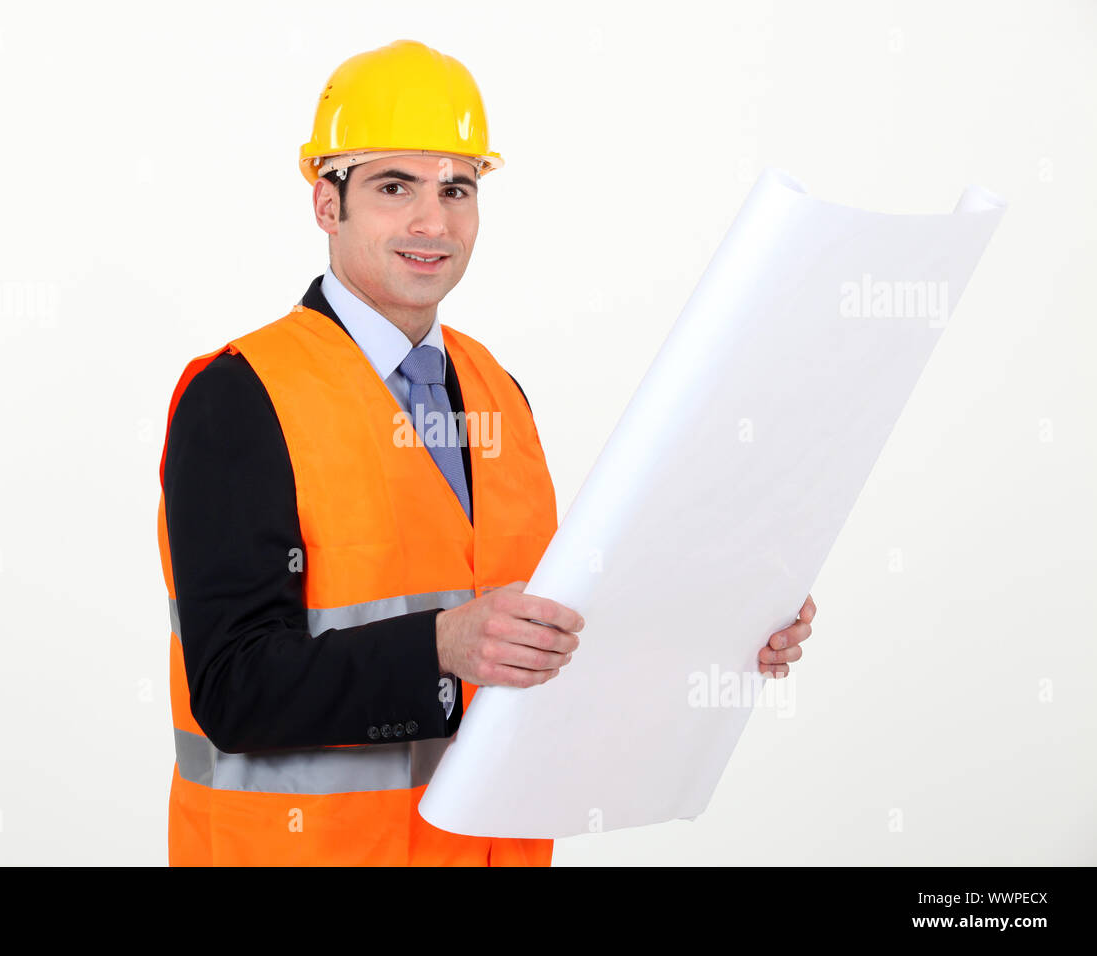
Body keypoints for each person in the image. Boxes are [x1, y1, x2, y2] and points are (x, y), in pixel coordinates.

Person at [156, 39, 814, 867]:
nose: (433, 222)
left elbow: (543, 645)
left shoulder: (496, 393)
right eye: (394, 187)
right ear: (327, 204)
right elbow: (233, 689)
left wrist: (722, 633)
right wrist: (439, 646)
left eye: (456, 189)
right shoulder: (241, 397)